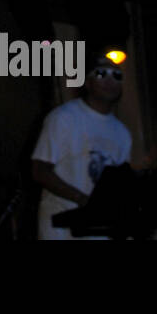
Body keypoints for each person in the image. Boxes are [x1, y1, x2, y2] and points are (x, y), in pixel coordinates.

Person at [31, 58, 132, 240]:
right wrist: (82, 199)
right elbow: (40, 170)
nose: (110, 80)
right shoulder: (63, 118)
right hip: (60, 229)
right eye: (101, 74)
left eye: (117, 76)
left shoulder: (122, 133)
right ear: (87, 82)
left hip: (98, 230)